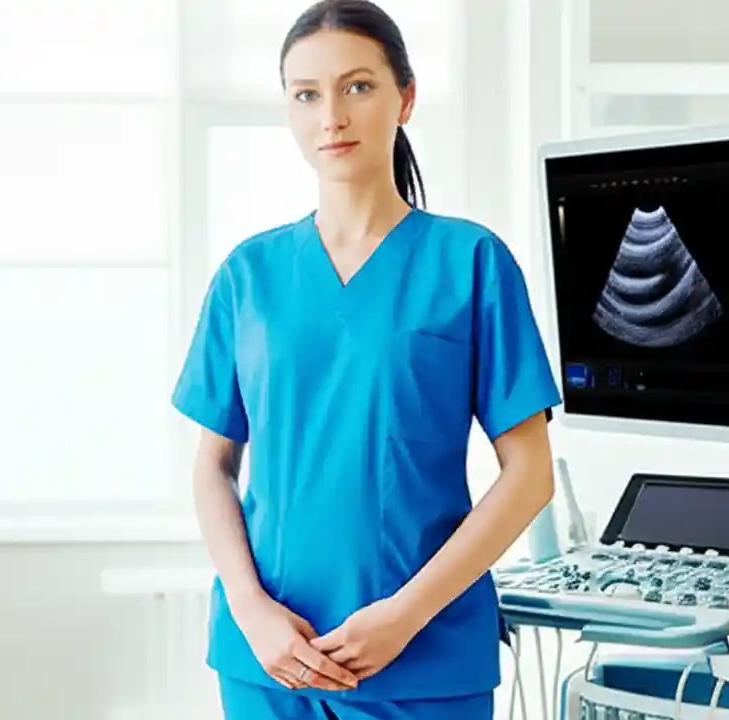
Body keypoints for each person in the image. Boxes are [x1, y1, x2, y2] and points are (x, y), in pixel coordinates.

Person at [170, 1, 562, 718]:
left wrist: (406, 615)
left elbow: (530, 474)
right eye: (307, 94)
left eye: (358, 87)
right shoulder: (247, 276)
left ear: (404, 97)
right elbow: (212, 465)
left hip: (422, 656)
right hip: (270, 661)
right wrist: (251, 611)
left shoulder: (470, 263)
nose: (332, 116)